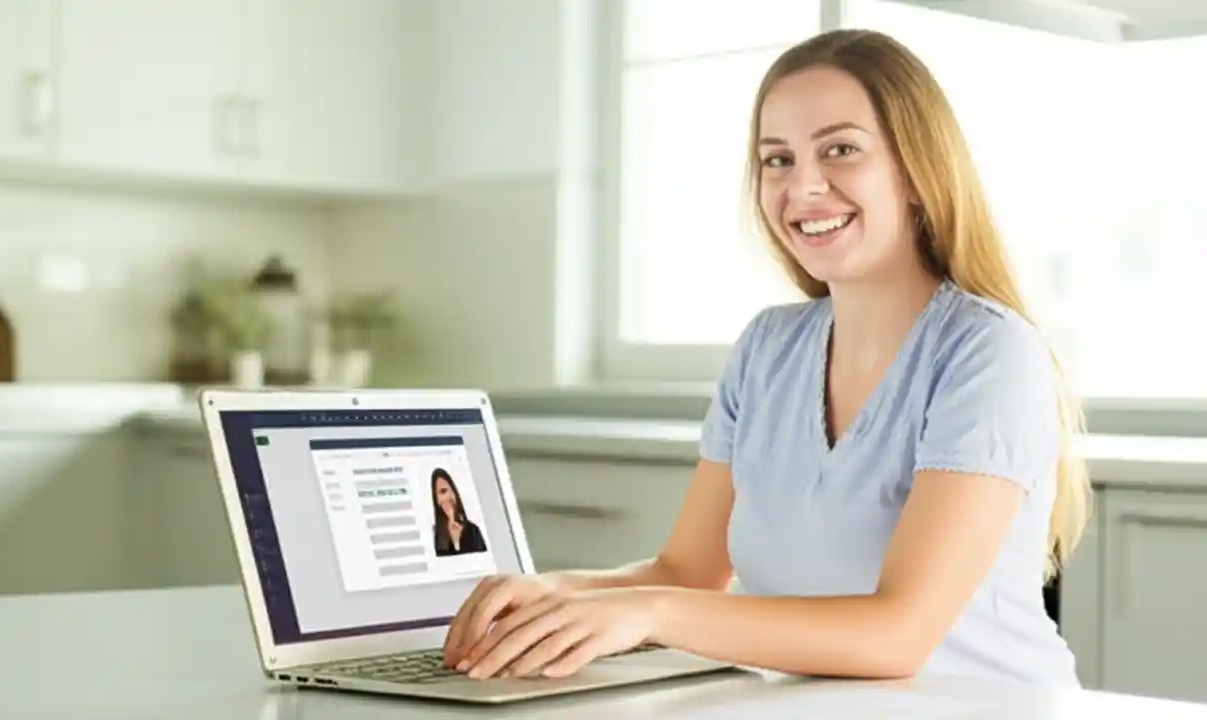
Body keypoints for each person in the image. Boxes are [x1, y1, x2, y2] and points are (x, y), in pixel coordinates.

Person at [441, 28, 1091, 685]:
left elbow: (897, 635)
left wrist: (648, 613)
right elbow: (687, 573)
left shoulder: (989, 352)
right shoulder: (767, 349)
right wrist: (552, 596)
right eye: (776, 159)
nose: (803, 186)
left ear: (917, 172)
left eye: (840, 150)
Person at [432, 468, 488, 556]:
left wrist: (459, 540)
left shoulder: (472, 530)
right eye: (439, 494)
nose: (445, 498)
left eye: (445, 491)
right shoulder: (435, 535)